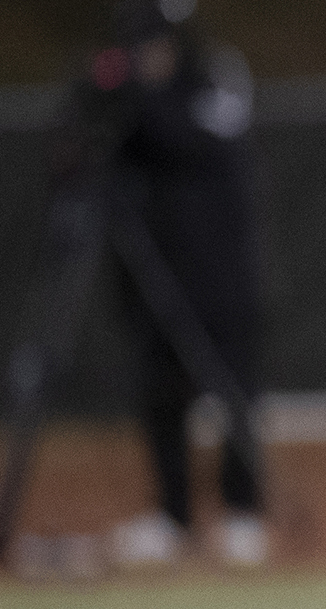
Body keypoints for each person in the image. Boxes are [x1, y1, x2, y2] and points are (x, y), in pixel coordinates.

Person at [68, 0, 268, 569]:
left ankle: (241, 513)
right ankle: (173, 516)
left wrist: (140, 94)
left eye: (156, 45)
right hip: (152, 275)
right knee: (159, 397)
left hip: (220, 273)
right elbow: (82, 150)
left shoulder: (216, 76)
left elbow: (191, 139)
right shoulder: (128, 101)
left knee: (232, 393)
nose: (146, 58)